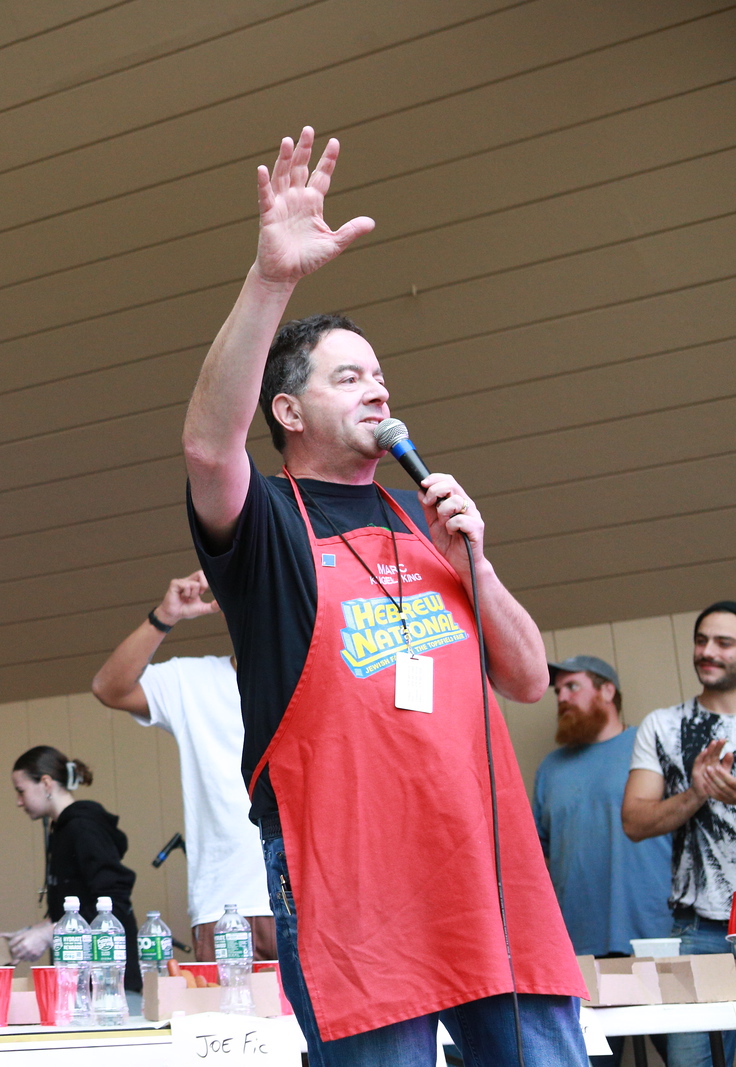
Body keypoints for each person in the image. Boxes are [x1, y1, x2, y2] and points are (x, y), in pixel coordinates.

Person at [180, 127, 587, 1064]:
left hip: (488, 878)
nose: (378, 387)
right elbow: (208, 447)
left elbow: (526, 679)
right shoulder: (269, 525)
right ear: (287, 411)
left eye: (379, 373)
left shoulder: (423, 517)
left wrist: (474, 560)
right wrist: (272, 277)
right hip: (354, 890)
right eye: (348, 375)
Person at [90, 570, 275, 960]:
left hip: (316, 900)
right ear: (224, 607)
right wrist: (165, 615)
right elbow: (109, 688)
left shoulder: (317, 674)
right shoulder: (192, 679)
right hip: (226, 903)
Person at [623, 601, 736, 1067]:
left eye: (724, 643)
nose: (707, 651)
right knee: (690, 1061)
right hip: (695, 930)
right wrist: (697, 793)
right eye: (700, 640)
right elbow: (634, 821)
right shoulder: (662, 725)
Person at [534, 656, 671, 957]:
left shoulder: (649, 748)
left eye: (572, 686)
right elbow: (538, 857)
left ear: (608, 691)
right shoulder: (550, 769)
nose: (562, 698)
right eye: (558, 692)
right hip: (575, 941)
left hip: (655, 933)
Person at [0, 747, 141, 992]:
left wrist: (48, 934)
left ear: (46, 783)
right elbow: (79, 901)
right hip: (80, 984)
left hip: (108, 984)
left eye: (21, 791)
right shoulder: (62, 832)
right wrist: (36, 932)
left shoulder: (83, 829)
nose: (18, 802)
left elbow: (114, 903)